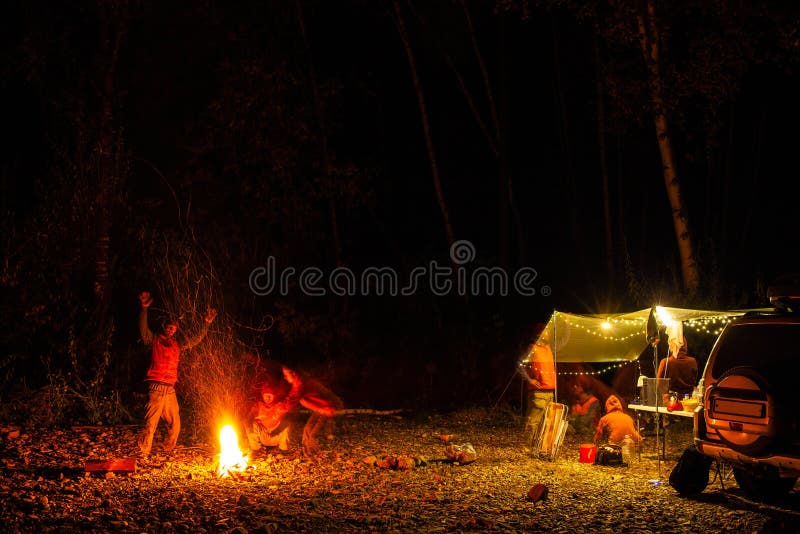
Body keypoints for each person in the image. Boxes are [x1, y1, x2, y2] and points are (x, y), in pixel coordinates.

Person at [137, 291, 217, 458]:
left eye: (173, 328)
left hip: (170, 389)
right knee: (150, 423)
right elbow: (144, 330)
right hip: (156, 387)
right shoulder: (155, 340)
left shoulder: (177, 344)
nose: (171, 329)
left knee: (176, 424)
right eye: (169, 327)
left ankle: (166, 450)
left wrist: (206, 323)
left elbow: (195, 339)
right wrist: (144, 309)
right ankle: (143, 453)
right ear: (164, 327)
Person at [246, 364, 344, 456]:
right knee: (308, 429)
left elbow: (291, 400)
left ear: (293, 373)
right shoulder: (258, 405)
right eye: (265, 396)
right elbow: (248, 420)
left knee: (312, 432)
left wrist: (278, 416)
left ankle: (312, 452)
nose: (285, 377)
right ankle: (308, 450)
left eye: (286, 374)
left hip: (328, 408)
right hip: (321, 409)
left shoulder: (299, 384)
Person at [523, 329, 556, 439]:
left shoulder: (548, 348)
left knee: (546, 422)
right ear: (539, 334)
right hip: (538, 392)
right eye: (547, 332)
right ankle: (528, 446)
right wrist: (529, 379)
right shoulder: (532, 348)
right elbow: (520, 364)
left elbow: (564, 340)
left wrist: (566, 325)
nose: (549, 334)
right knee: (534, 421)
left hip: (550, 391)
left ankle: (540, 446)